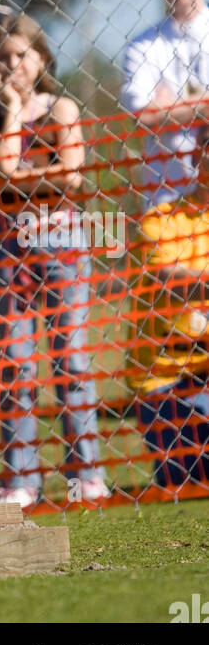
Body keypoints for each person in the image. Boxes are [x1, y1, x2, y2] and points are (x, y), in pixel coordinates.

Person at [0, 14, 109, 507]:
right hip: (8, 248)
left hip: (61, 242)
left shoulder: (61, 107)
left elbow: (72, 178)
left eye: (23, 54)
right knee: (15, 363)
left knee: (69, 359)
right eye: (4, 57)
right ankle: (23, 478)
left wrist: (23, 178)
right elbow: (0, 172)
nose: (14, 65)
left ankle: (86, 472)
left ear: (42, 57)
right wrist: (11, 111)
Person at [128, 124, 209, 493]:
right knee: (188, 484)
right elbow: (172, 282)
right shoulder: (160, 220)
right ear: (197, 158)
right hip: (166, 379)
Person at [121, 0, 209, 206]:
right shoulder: (141, 46)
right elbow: (143, 116)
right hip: (167, 195)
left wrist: (169, 108)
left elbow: (155, 114)